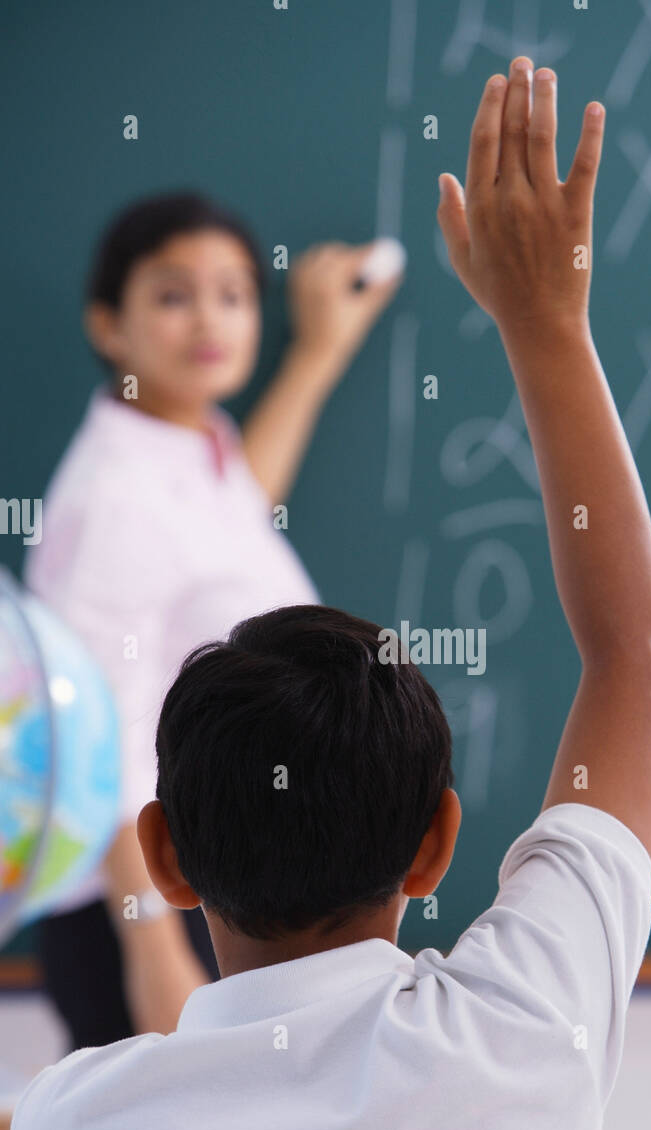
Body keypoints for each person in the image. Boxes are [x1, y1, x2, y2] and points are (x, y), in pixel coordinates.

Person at [7, 59, 651, 1130]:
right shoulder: (529, 1030)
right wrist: (545, 321)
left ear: (168, 852)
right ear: (435, 844)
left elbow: (633, 666)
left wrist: (321, 356)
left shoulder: (73, 1127)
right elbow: (636, 660)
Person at [22, 192, 401, 1047]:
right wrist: (155, 954)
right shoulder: (114, 496)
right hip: (150, 908)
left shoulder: (193, 443)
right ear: (108, 326)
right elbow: (95, 735)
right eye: (172, 295)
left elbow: (229, 519)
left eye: (233, 294)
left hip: (212, 886)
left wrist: (318, 355)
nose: (209, 319)